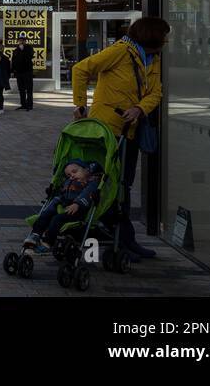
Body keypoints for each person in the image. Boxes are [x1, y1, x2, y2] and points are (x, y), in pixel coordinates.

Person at [71, 16, 169, 262]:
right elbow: (80, 69)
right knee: (107, 184)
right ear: (152, 37)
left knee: (123, 185)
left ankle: (122, 238)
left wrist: (139, 108)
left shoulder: (153, 59)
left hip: (131, 130)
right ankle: (120, 238)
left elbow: (156, 91)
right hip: (107, 130)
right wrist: (80, 104)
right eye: (164, 35)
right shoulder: (120, 52)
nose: (167, 40)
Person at [22, 160, 102, 251]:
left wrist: (77, 203)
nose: (71, 175)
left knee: (57, 219)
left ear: (86, 170)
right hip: (64, 206)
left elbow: (86, 193)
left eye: (74, 171)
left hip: (78, 210)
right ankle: (35, 235)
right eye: (68, 175)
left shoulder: (92, 182)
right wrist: (55, 195)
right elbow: (62, 192)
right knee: (45, 214)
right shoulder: (69, 182)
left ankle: (48, 242)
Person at [12, 40, 36, 111]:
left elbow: (30, 56)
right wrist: (13, 70)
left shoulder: (29, 48)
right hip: (19, 73)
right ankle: (23, 104)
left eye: (22, 41)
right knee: (21, 89)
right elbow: (14, 60)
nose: (21, 42)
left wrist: (23, 50)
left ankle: (29, 105)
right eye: (19, 41)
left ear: (25, 41)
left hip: (27, 72)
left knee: (29, 89)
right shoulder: (16, 50)